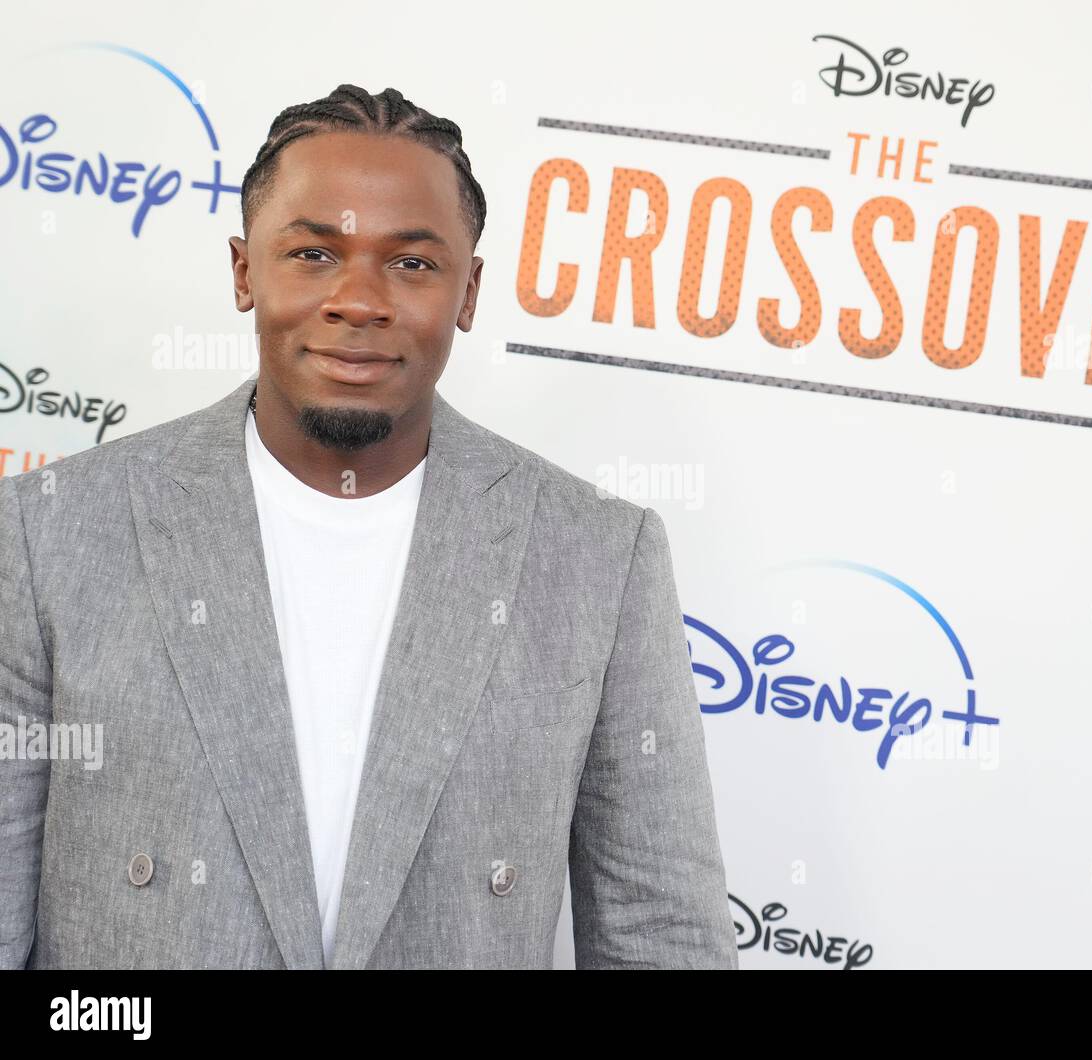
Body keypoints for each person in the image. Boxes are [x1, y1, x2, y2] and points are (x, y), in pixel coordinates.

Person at [0, 84, 738, 969]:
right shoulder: (49, 535)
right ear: (244, 271)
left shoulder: (597, 561)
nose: (359, 300)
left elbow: (662, 934)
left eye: (413, 264)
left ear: (469, 292)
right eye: (313, 253)